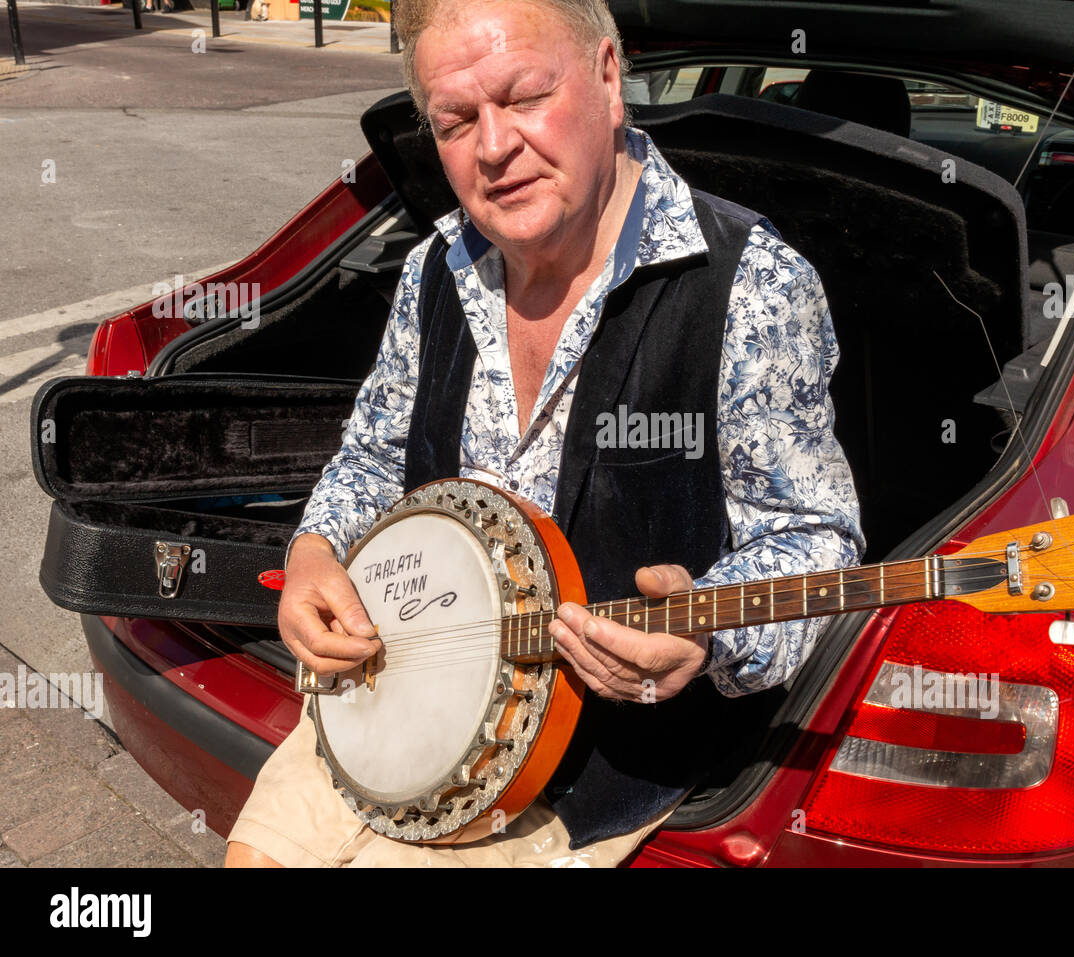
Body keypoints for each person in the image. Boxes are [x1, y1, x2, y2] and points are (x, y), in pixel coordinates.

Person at [224, 0, 864, 867]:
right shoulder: (435, 267)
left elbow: (814, 541)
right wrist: (313, 548)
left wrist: (709, 638)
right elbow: (373, 454)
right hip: (389, 704)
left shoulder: (751, 286)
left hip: (580, 772)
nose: (493, 147)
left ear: (608, 77)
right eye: (455, 121)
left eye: (524, 97)